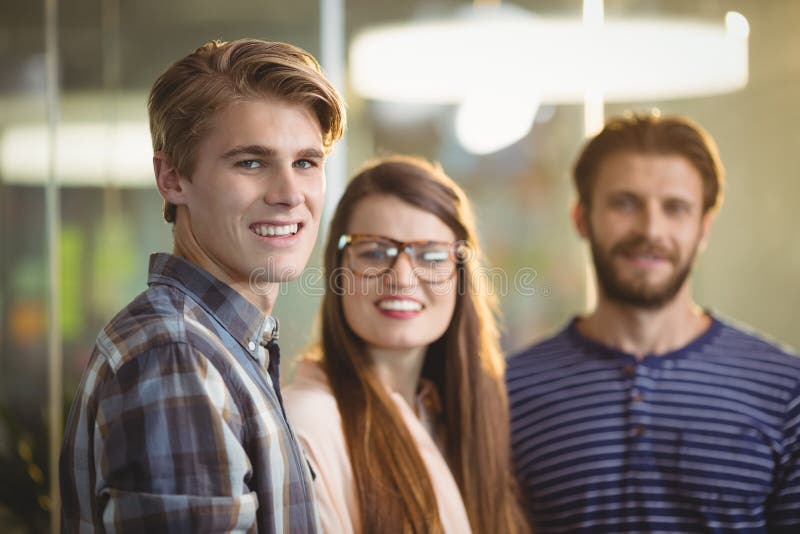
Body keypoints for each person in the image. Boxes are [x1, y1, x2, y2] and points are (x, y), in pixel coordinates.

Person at [59, 38, 345, 532]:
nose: (289, 194)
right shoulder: (175, 354)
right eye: (251, 162)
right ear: (172, 178)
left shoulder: (222, 345)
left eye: (306, 162)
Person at [507, 112, 800, 533]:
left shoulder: (786, 392)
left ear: (703, 229)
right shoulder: (510, 392)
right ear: (581, 218)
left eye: (675, 208)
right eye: (624, 203)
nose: (650, 229)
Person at [283, 156, 529, 534]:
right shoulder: (308, 422)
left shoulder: (456, 416)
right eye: (375, 251)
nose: (401, 277)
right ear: (338, 270)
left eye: (430, 255)